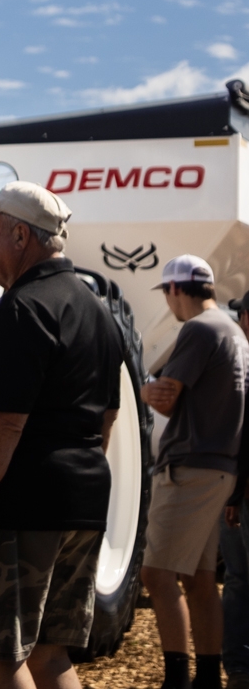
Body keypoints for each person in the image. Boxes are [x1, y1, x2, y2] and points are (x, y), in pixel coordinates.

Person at [0, 181, 122, 689]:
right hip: (77, 506)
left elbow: (1, 424)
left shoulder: (21, 311)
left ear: (19, 235)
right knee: (49, 653)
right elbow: (107, 418)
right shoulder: (98, 313)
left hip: (15, 512)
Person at [140, 255, 249, 689]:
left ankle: (178, 679)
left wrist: (146, 390)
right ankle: (206, 679)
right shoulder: (234, 333)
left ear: (174, 290)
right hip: (220, 468)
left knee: (156, 574)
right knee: (199, 579)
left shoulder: (199, 329)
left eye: (166, 293)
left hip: (191, 466)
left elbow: (166, 399)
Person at [218, 295, 249, 684]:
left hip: (240, 490)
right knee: (239, 580)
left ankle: (238, 665)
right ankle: (238, 665)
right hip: (239, 490)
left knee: (239, 580)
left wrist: (233, 493)